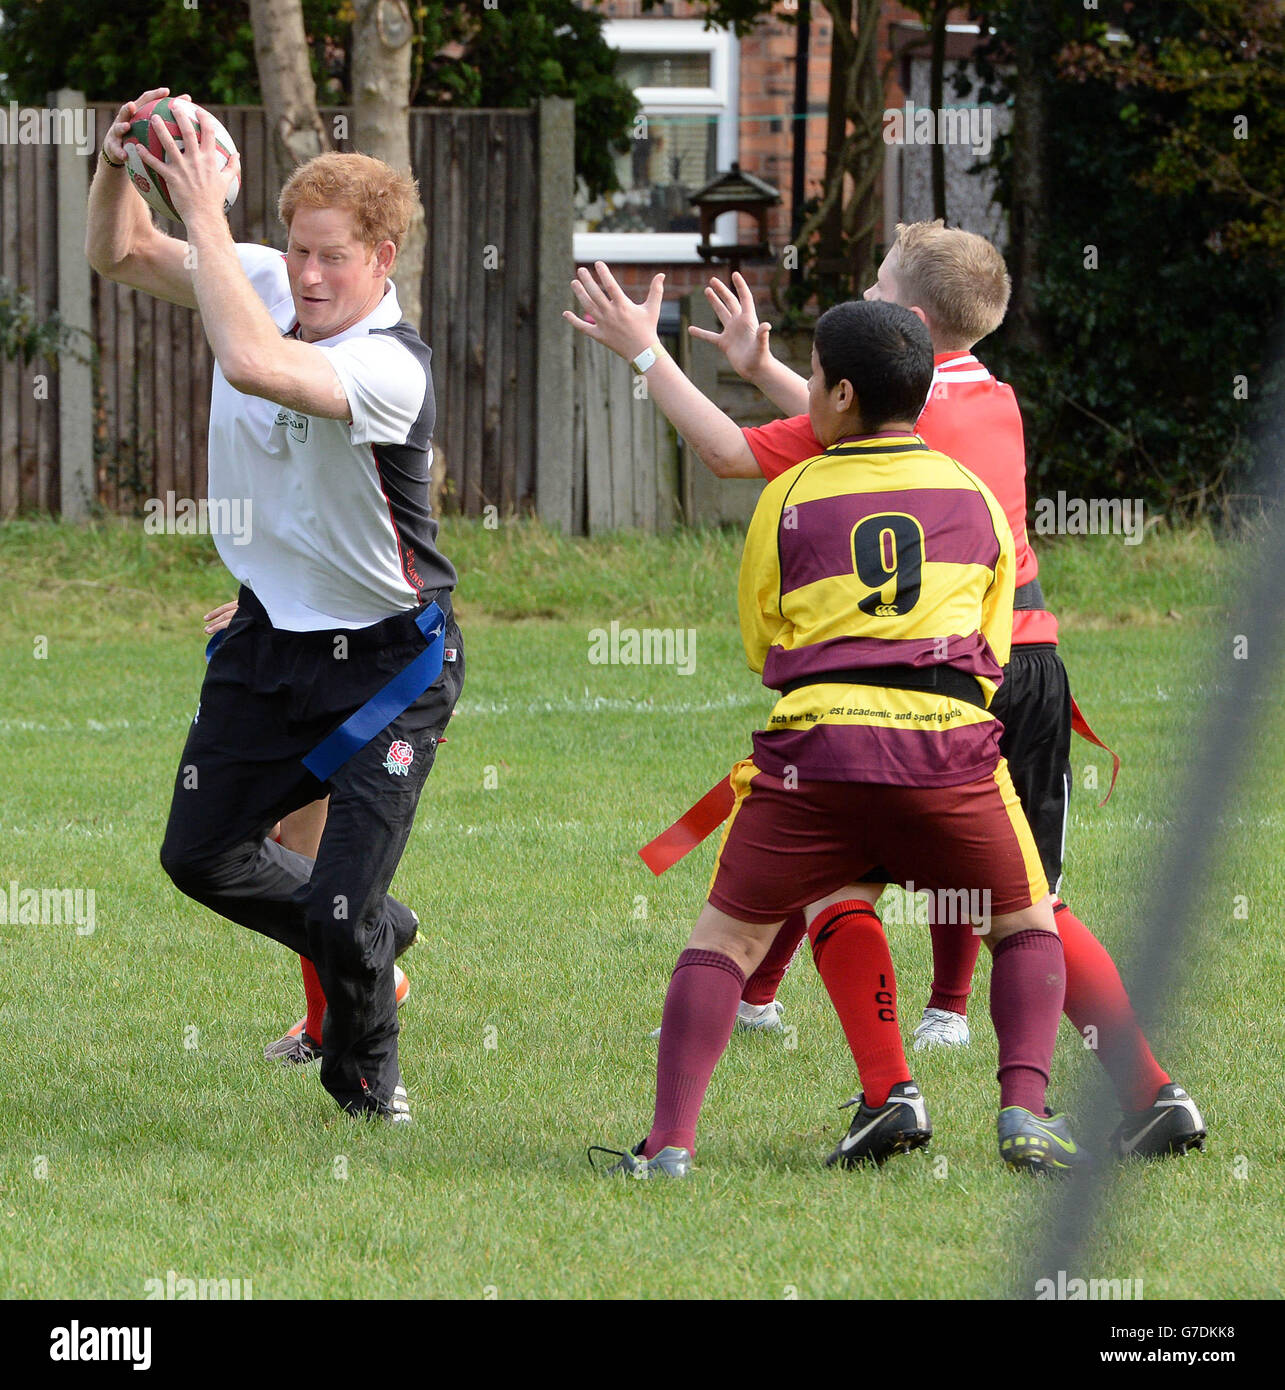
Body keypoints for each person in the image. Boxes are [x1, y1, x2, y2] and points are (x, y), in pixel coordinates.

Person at [684, 223, 1204, 1159]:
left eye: (878, 288)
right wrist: (769, 368)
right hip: (1020, 659)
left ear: (911, 327)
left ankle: (896, 1090)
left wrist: (647, 353)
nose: (868, 293)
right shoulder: (987, 395)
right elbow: (858, 413)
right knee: (1028, 904)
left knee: (845, 877)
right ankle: (1139, 1090)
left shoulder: (916, 416)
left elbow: (754, 451)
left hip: (948, 675)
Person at [580, 295, 1081, 1175]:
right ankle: (1025, 1112)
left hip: (814, 756)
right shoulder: (971, 493)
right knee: (1026, 925)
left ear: (840, 393)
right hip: (949, 752)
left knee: (723, 943)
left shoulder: (795, 490)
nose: (804, 389)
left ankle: (667, 1146)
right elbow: (992, 646)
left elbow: (761, 634)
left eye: (809, 375)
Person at [87, 89, 463, 1123]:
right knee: (197, 855)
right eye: (296, 248)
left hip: (392, 660)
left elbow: (253, 363)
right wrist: (121, 160)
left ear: (383, 259)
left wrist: (203, 208)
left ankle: (365, 1088)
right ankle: (377, 924)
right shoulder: (258, 276)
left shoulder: (389, 367)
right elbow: (119, 254)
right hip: (267, 640)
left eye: (332, 255)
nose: (305, 272)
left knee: (339, 911)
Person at [201, 599, 410, 1065]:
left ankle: (336, 1007)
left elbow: (395, 572)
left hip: (330, 659)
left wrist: (284, 605)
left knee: (296, 846)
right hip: (288, 654)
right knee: (266, 836)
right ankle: (367, 974)